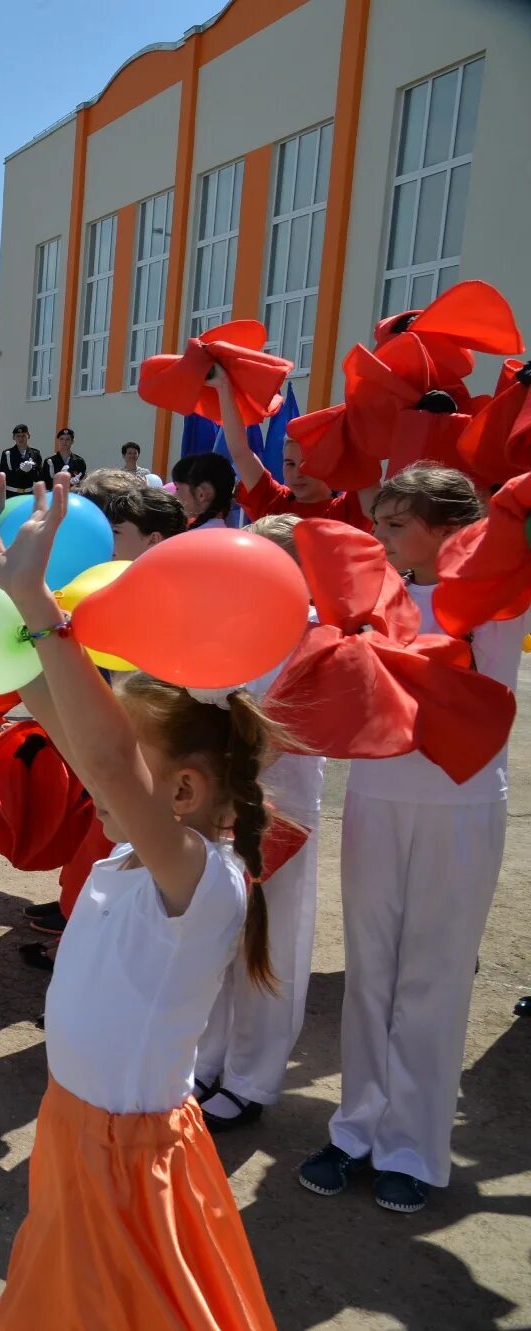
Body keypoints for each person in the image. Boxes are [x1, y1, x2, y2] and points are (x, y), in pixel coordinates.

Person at [0, 478, 278, 1329]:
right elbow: (84, 741)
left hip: (126, 1156)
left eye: (125, 766)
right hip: (75, 1133)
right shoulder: (133, 852)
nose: (93, 774)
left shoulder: (201, 879)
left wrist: (42, 607)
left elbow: (108, 762)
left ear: (182, 790)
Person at [301, 466, 527, 1215]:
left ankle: (414, 1148)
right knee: (370, 973)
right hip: (376, 799)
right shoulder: (374, 599)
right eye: (382, 521)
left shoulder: (495, 598)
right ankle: (356, 1128)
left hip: (459, 810)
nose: (381, 536)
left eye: (397, 523)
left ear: (447, 529)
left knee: (433, 978)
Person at [196, 513, 323, 1134]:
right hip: (222, 804)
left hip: (282, 811)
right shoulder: (238, 622)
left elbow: (289, 728)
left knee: (268, 950)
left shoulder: (315, 637)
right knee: (219, 939)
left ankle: (252, 1080)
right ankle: (207, 1060)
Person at [216, 391, 372, 531]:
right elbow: (240, 451)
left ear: (330, 465)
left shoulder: (350, 509)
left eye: (308, 463)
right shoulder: (274, 502)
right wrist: (224, 388)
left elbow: (365, 458)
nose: (298, 473)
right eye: (290, 463)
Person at [170, 451, 238, 529]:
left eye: (177, 488)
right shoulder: (228, 533)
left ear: (201, 494)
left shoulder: (189, 539)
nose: (174, 495)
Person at [1, 423, 41, 498]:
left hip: (28, 494)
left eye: (23, 436)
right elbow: (4, 475)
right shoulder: (7, 454)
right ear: (13, 437)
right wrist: (21, 470)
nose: (20, 438)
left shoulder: (35, 453)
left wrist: (30, 470)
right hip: (11, 494)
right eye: (18, 436)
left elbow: (38, 477)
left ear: (28, 436)